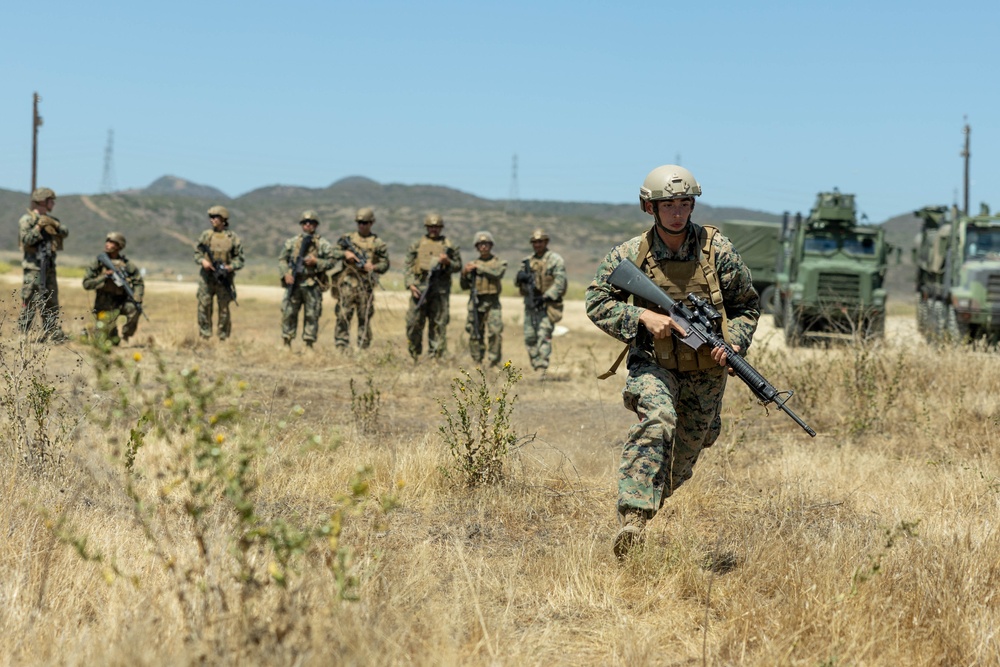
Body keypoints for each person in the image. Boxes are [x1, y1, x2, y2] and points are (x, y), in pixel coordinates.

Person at [585, 165, 760, 561]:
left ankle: (648, 503)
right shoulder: (630, 255)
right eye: (669, 205)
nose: (678, 212)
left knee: (680, 463)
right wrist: (641, 318)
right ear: (650, 208)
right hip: (654, 365)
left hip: (706, 373)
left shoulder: (719, 252)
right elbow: (596, 301)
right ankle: (633, 522)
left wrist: (733, 345)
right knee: (658, 419)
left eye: (685, 203)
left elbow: (746, 305)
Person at [404, 213, 461, 360]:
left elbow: (458, 266)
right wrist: (410, 284)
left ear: (441, 228)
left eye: (436, 227)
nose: (433, 230)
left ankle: (435, 356)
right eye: (431, 227)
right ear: (426, 227)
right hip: (419, 289)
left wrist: (448, 261)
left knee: (438, 324)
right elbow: (408, 266)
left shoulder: (449, 245)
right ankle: (414, 355)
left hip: (439, 291)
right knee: (413, 323)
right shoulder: (417, 244)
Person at [331, 207, 390, 350]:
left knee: (364, 317)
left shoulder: (378, 243)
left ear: (371, 223)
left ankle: (363, 347)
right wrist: (345, 254)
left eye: (365, 223)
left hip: (366, 285)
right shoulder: (348, 239)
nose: (362, 225)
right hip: (347, 284)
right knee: (343, 315)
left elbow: (385, 264)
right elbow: (332, 252)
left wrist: (373, 267)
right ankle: (341, 346)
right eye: (359, 223)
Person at [18, 187, 70, 342]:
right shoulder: (27, 220)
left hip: (49, 268)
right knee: (29, 300)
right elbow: (26, 240)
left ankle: (52, 333)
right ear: (42, 201)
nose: (53, 203)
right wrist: (39, 227)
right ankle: (23, 335)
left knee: (51, 301)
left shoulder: (53, 221)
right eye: (51, 201)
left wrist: (53, 223)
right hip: (33, 268)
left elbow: (65, 232)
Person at [513, 229, 567, 378]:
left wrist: (545, 297)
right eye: (534, 242)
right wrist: (520, 278)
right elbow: (517, 282)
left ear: (546, 242)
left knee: (543, 336)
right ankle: (536, 364)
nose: (537, 245)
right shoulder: (527, 262)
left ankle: (542, 368)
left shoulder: (555, 260)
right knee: (530, 337)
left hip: (546, 305)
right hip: (530, 305)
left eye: (540, 241)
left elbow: (560, 282)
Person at [279, 210, 335, 349]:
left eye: (311, 222)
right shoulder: (292, 242)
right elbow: (282, 259)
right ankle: (287, 343)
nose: (308, 225)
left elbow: (332, 261)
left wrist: (317, 262)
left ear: (316, 225)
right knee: (289, 313)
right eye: (305, 222)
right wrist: (286, 273)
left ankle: (309, 345)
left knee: (312, 314)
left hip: (312, 283)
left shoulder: (322, 243)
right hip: (295, 283)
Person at [82, 233, 144, 345]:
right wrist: (104, 276)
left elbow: (138, 282)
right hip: (104, 303)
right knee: (107, 340)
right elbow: (87, 284)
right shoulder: (99, 262)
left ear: (119, 246)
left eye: (112, 242)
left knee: (135, 308)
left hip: (121, 300)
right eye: (107, 241)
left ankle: (126, 337)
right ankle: (90, 333)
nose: (107, 244)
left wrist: (137, 296)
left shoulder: (126, 264)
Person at [195, 205, 245, 341]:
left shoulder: (232, 238)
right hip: (207, 278)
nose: (212, 220)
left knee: (224, 310)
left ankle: (223, 337)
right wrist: (202, 262)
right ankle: (204, 336)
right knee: (204, 306)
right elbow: (197, 253)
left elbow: (240, 259)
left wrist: (229, 267)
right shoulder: (206, 235)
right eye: (210, 217)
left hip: (224, 279)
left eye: (215, 217)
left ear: (223, 219)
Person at [460, 231, 507, 366]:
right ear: (477, 247)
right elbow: (464, 286)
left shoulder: (498, 262)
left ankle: (494, 360)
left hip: (492, 302)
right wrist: (464, 273)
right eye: (481, 244)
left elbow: (497, 273)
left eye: (486, 244)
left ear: (491, 245)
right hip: (476, 302)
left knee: (495, 332)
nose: (484, 247)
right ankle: (477, 359)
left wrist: (479, 267)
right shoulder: (472, 264)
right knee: (475, 332)